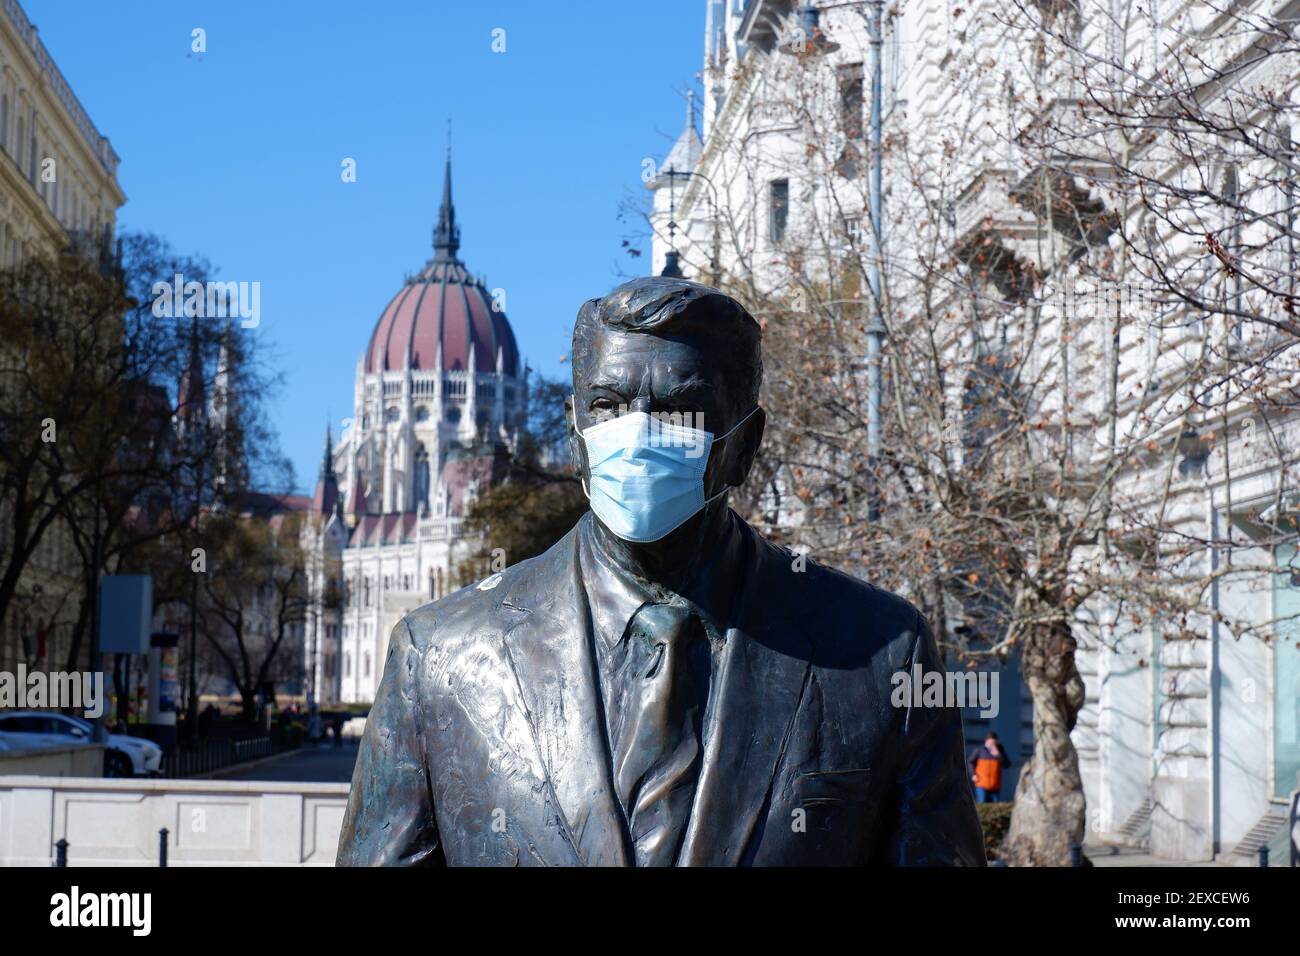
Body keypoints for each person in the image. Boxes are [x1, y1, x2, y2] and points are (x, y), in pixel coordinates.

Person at [337, 277, 985, 867]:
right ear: (575, 431)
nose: (638, 435)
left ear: (745, 445)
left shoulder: (880, 653)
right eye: (609, 405)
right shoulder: (443, 657)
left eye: (681, 411)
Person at [968, 732, 1012, 803]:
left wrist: (999, 755)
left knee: (994, 806)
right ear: (986, 741)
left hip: (995, 785)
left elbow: (1007, 765)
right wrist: (973, 774)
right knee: (982, 803)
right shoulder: (979, 751)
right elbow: (970, 762)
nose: (992, 744)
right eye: (990, 742)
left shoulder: (1000, 752)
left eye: (994, 742)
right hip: (981, 783)